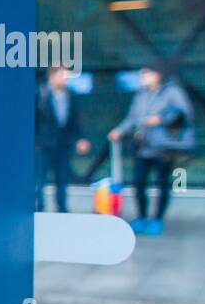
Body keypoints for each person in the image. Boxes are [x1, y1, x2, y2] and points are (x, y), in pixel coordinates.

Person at [108, 65, 195, 236]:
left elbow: (184, 114)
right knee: (139, 182)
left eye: (147, 74)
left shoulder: (173, 92)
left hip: (166, 146)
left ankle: (157, 219)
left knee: (162, 183)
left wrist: (161, 119)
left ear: (158, 74)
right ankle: (141, 217)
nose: (143, 78)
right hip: (144, 147)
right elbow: (133, 118)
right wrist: (119, 130)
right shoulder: (141, 94)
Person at [34, 64, 90, 212]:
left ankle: (62, 209)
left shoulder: (71, 95)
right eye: (63, 75)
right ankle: (39, 209)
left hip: (63, 145)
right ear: (52, 76)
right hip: (43, 146)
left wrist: (81, 138)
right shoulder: (40, 94)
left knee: (62, 180)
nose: (66, 79)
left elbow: (75, 121)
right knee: (39, 180)